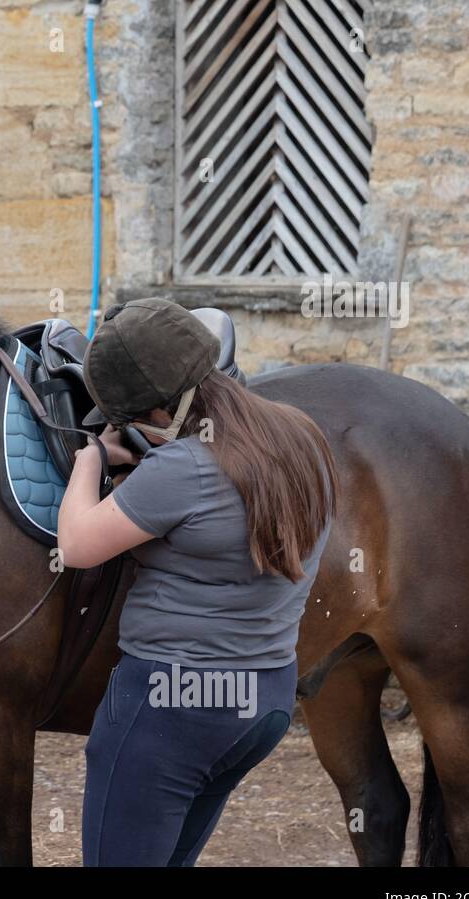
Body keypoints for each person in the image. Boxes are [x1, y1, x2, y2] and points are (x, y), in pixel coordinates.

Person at [58, 298, 337, 867]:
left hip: (170, 708)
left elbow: (78, 547)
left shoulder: (181, 468)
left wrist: (90, 460)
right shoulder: (300, 435)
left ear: (161, 412)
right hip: (265, 701)